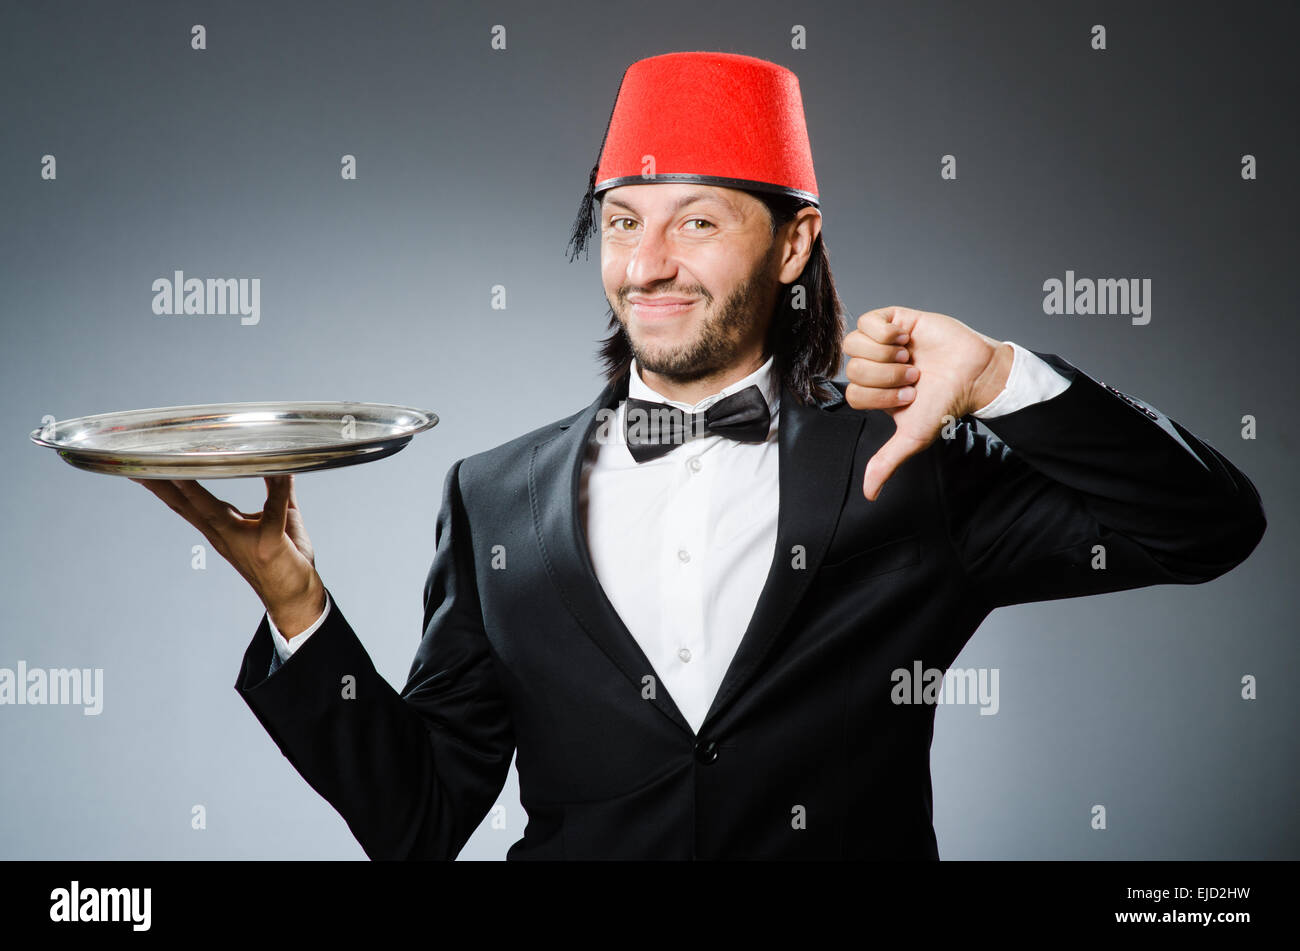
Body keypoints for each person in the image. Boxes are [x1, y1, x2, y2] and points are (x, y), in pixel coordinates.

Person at [134, 51, 1266, 859]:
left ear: (793, 245)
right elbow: (418, 820)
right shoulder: (491, 496)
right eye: (623, 221)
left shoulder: (912, 464)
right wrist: (295, 605)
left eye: (698, 221)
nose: (649, 264)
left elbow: (1205, 526)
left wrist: (1004, 378)